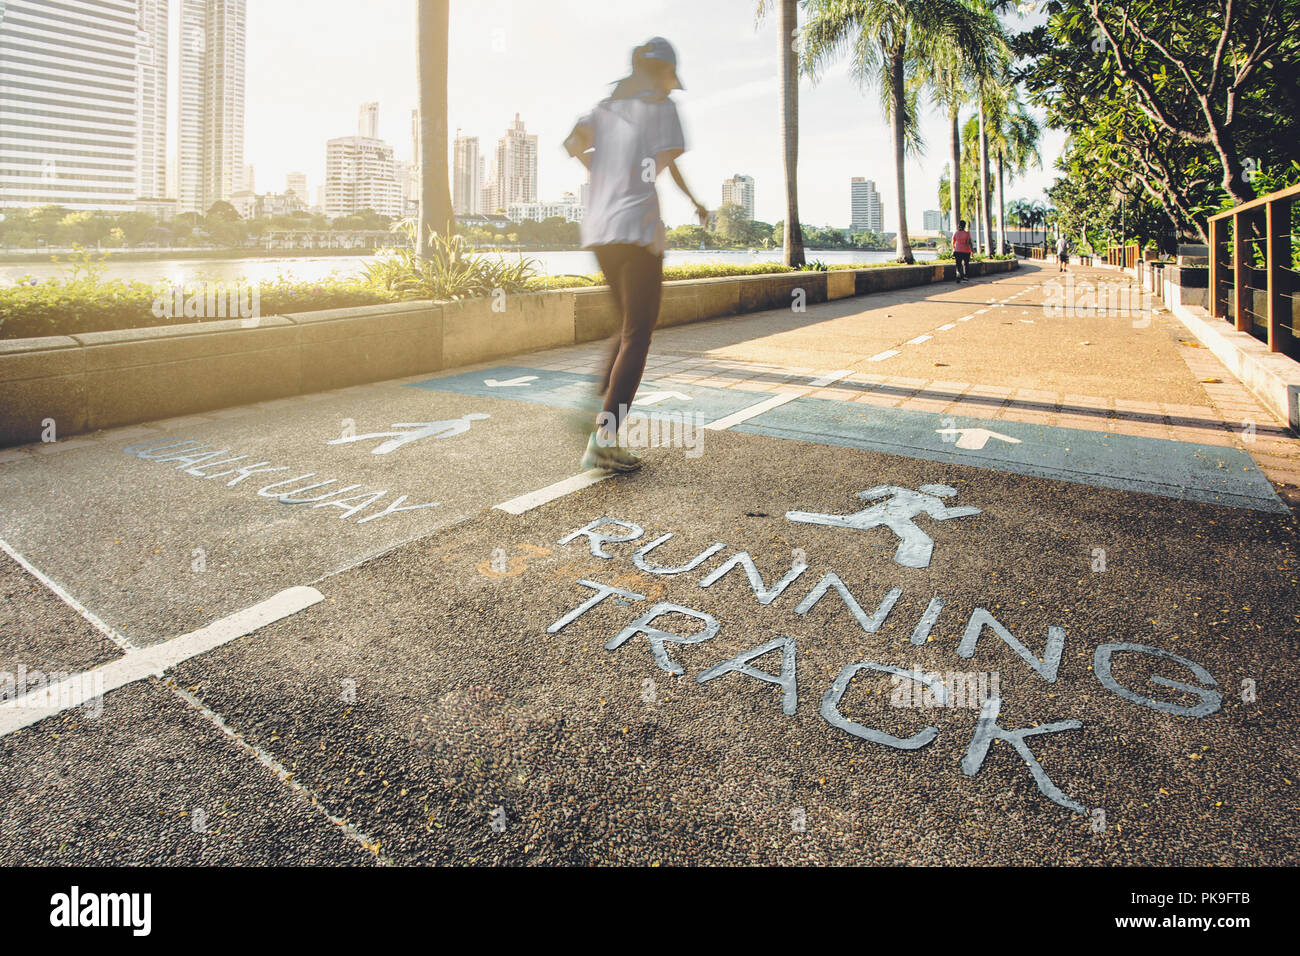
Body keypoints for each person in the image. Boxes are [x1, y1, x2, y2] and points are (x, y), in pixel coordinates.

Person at [564, 37, 708, 473]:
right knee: (638, 334)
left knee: (626, 326)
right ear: (659, 72)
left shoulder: (604, 109)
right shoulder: (662, 108)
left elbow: (572, 143)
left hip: (600, 231)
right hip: (637, 229)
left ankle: (594, 405)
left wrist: (602, 169)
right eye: (667, 77)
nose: (670, 86)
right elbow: (667, 161)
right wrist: (690, 201)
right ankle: (604, 439)